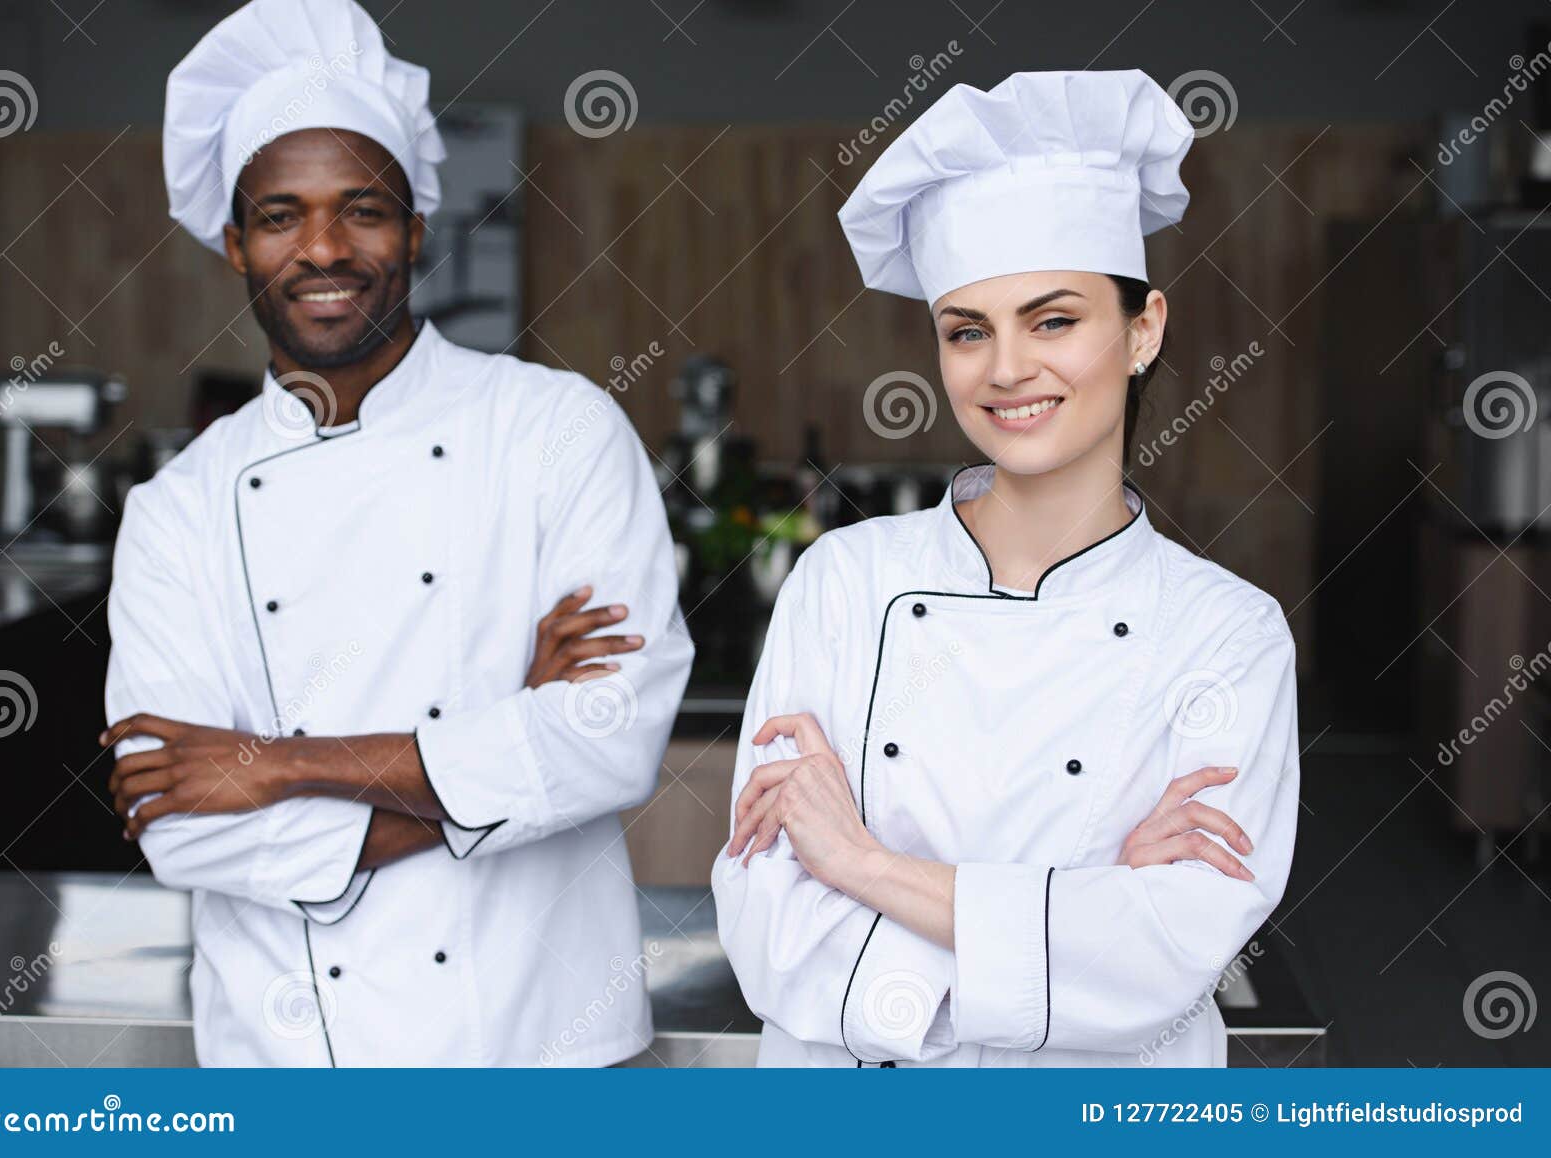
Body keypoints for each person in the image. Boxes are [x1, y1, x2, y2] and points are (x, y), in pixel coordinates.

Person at [103, 0, 693, 1066]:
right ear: (235, 245)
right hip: (292, 1061)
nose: (324, 249)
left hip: (540, 1047)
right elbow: (184, 829)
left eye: (362, 210)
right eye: (280, 216)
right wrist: (507, 748)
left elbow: (609, 741)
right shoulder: (178, 508)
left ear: (416, 228)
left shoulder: (557, 429)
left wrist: (276, 766)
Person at [711, 69, 1299, 1067]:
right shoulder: (843, 582)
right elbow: (769, 927)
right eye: (967, 331)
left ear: (1144, 330)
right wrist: (1078, 922)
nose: (1008, 369)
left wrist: (856, 861)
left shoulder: (1226, 631)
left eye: (1053, 320)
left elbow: (1168, 957)